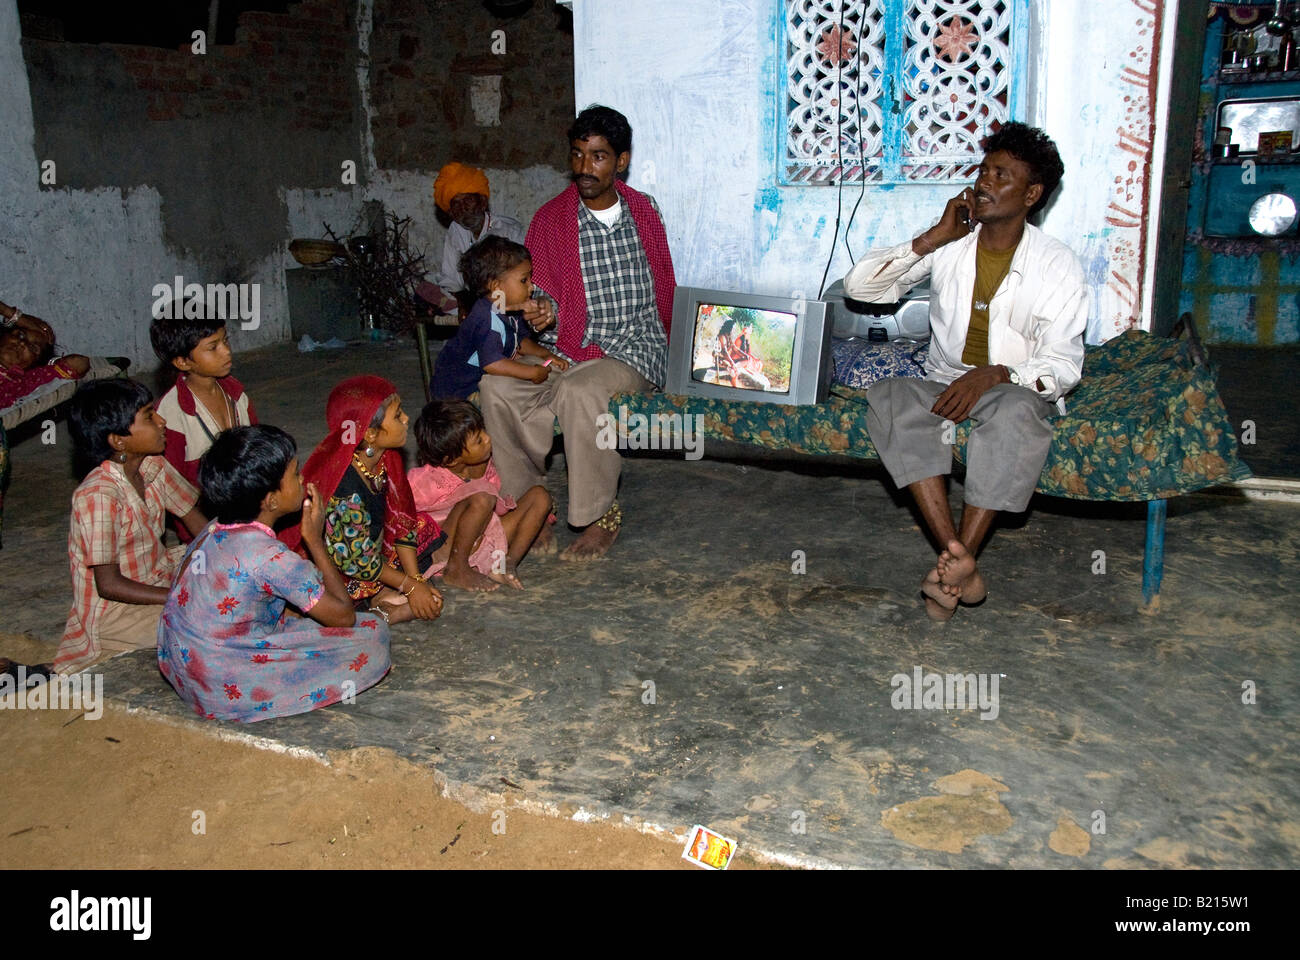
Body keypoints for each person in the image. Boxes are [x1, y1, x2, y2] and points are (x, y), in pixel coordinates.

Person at [844, 122, 1086, 621]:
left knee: (1018, 412)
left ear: (1032, 194)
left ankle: (952, 569)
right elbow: (862, 288)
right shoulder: (953, 244)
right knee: (890, 396)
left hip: (1012, 384)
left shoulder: (1057, 263)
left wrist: (998, 374)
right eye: (983, 171)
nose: (984, 183)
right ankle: (960, 564)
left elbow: (1062, 364)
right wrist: (932, 238)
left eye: (1002, 175)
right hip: (943, 377)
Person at [481, 104, 677, 560]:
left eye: (598, 157)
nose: (584, 168)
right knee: (496, 386)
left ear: (621, 161)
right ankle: (532, 503)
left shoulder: (644, 213)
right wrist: (543, 311)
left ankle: (597, 513)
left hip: (633, 346)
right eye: (577, 155)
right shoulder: (550, 220)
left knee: (580, 390)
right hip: (567, 344)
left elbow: (663, 285)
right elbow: (539, 292)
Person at [157, 425, 391, 722]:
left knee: (298, 613)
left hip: (183, 666)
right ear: (271, 501)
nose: (303, 478)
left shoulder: (213, 528)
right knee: (372, 634)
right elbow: (344, 616)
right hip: (225, 681)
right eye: (294, 475)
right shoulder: (270, 556)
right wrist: (315, 541)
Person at [54, 379, 208, 673]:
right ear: (118, 440)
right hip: (118, 613)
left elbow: (195, 520)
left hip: (158, 576)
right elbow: (109, 585)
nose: (162, 421)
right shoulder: (98, 495)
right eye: (150, 416)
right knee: (210, 616)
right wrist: (180, 595)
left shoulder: (153, 466)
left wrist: (229, 557)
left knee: (229, 575)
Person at [279, 376, 446, 626]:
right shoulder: (343, 486)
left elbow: (404, 521)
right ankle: (376, 613)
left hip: (369, 551)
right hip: (341, 568)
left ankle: (381, 596)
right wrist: (410, 587)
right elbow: (355, 560)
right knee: (336, 595)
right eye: (397, 415)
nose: (406, 419)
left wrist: (415, 582)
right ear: (369, 434)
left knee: (423, 527)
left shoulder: (387, 457)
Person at [409, 398, 553, 591]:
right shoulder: (424, 480)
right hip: (444, 549)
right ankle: (457, 568)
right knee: (482, 495)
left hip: (484, 542)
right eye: (478, 440)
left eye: (483, 431)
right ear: (451, 460)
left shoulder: (488, 466)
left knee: (540, 496)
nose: (487, 438)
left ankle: (505, 564)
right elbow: (399, 517)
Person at [429, 236, 569, 400]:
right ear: (496, 286)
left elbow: (520, 341)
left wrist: (545, 354)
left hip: (481, 382)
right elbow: (493, 364)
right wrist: (533, 372)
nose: (532, 287)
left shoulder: (509, 308)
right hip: (457, 393)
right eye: (524, 280)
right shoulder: (485, 317)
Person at [150, 316, 258, 489]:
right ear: (183, 362)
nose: (226, 351)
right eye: (213, 347)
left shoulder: (238, 397)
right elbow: (172, 487)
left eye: (225, 341)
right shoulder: (171, 414)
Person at [419, 162, 527, 315]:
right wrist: (464, 301)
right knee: (424, 290)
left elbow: (516, 283)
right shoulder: (456, 230)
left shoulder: (508, 231)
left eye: (467, 201)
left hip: (504, 299)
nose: (462, 209)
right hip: (470, 300)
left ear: (482, 203)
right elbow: (450, 280)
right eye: (456, 204)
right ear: (451, 213)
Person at [0, 303, 91, 410]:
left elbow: (80, 363)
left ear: (34, 365)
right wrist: (15, 315)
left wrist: (53, 363)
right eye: (20, 335)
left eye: (33, 348)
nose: (22, 344)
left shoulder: (25, 380)